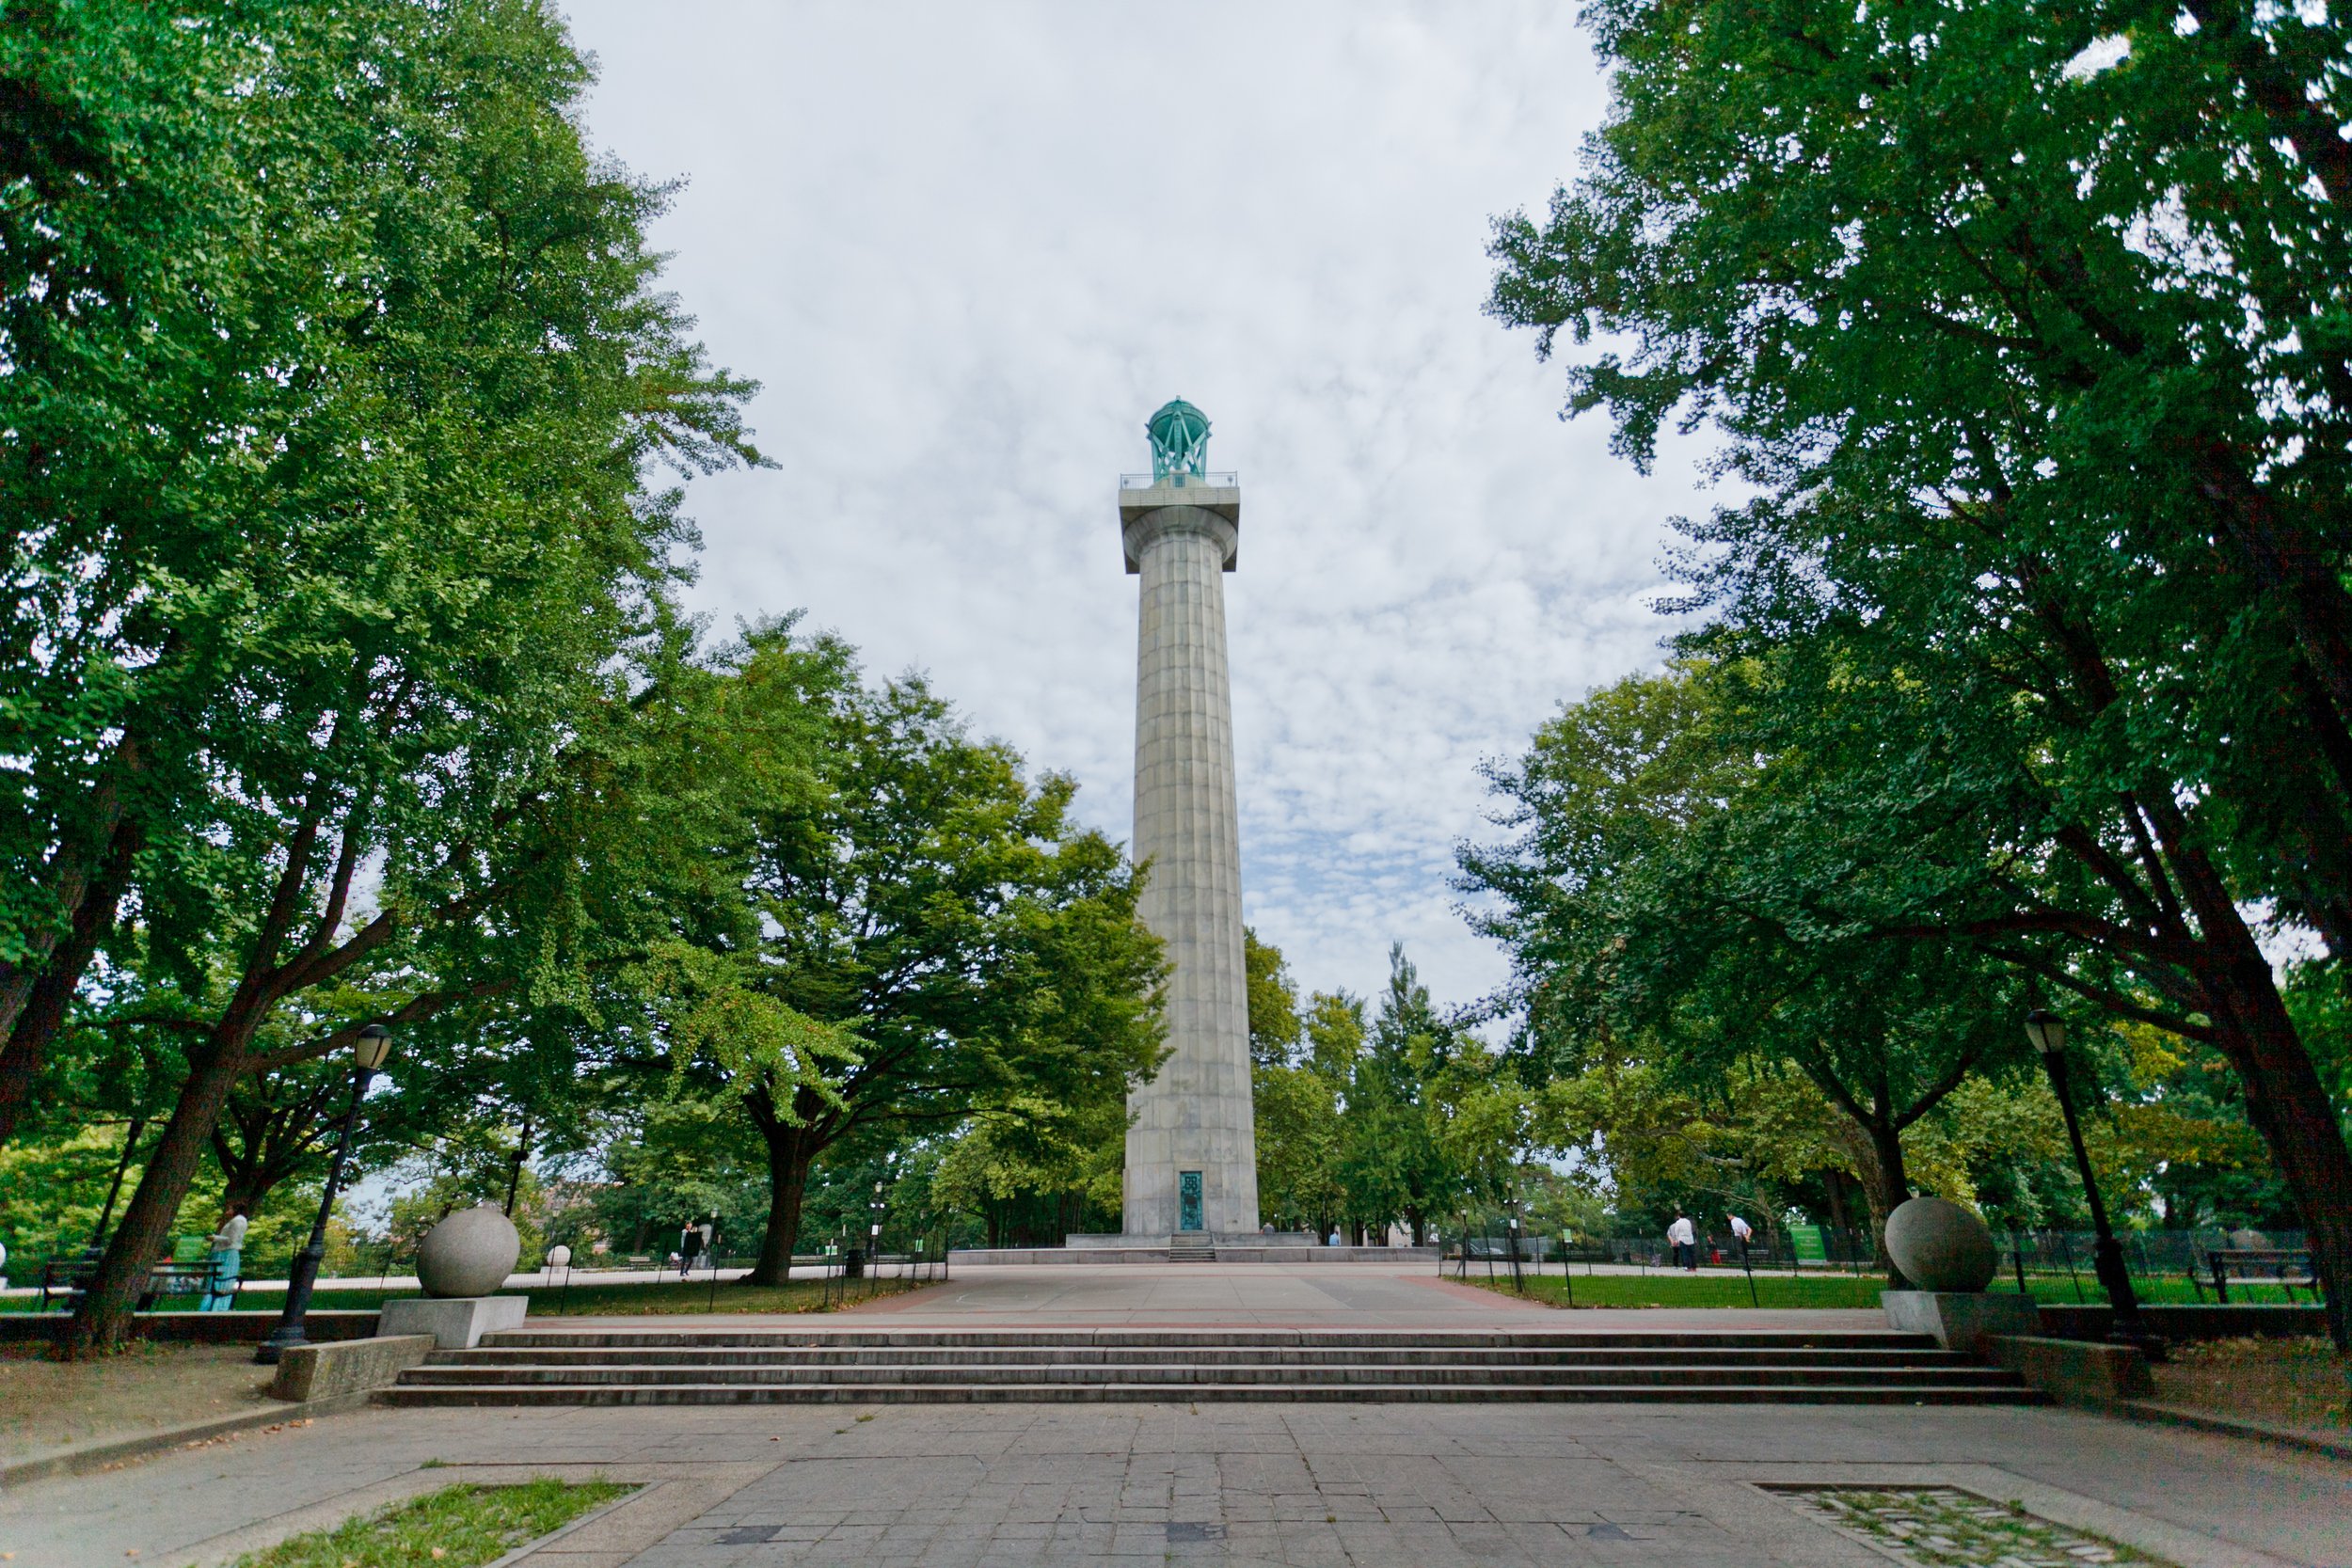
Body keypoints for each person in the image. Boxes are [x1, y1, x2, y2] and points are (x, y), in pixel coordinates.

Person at [200, 1203, 249, 1311]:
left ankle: (217, 1307)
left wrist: (214, 1238)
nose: (228, 1209)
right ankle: (212, 1306)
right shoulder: (237, 1220)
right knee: (217, 1280)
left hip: (226, 1253)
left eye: (231, 1208)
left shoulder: (238, 1221)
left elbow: (231, 1240)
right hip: (224, 1252)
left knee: (221, 1280)